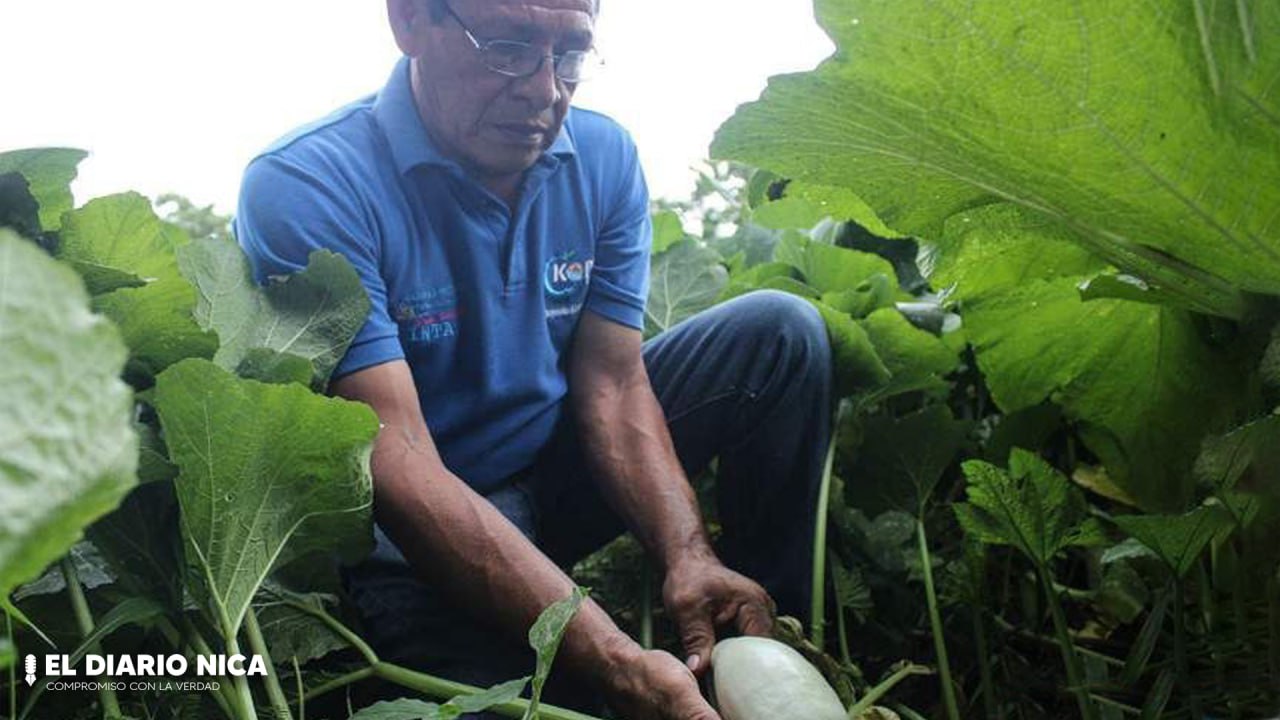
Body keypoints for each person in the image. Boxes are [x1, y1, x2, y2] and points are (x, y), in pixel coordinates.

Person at [234, 0, 833, 717]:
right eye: (509, 47)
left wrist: (686, 550)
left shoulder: (604, 156)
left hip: (550, 471)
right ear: (411, 22)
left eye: (571, 53)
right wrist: (612, 657)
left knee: (779, 334)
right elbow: (395, 458)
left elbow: (612, 384)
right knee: (519, 700)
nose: (545, 89)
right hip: (409, 524)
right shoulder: (308, 184)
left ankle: (763, 647)